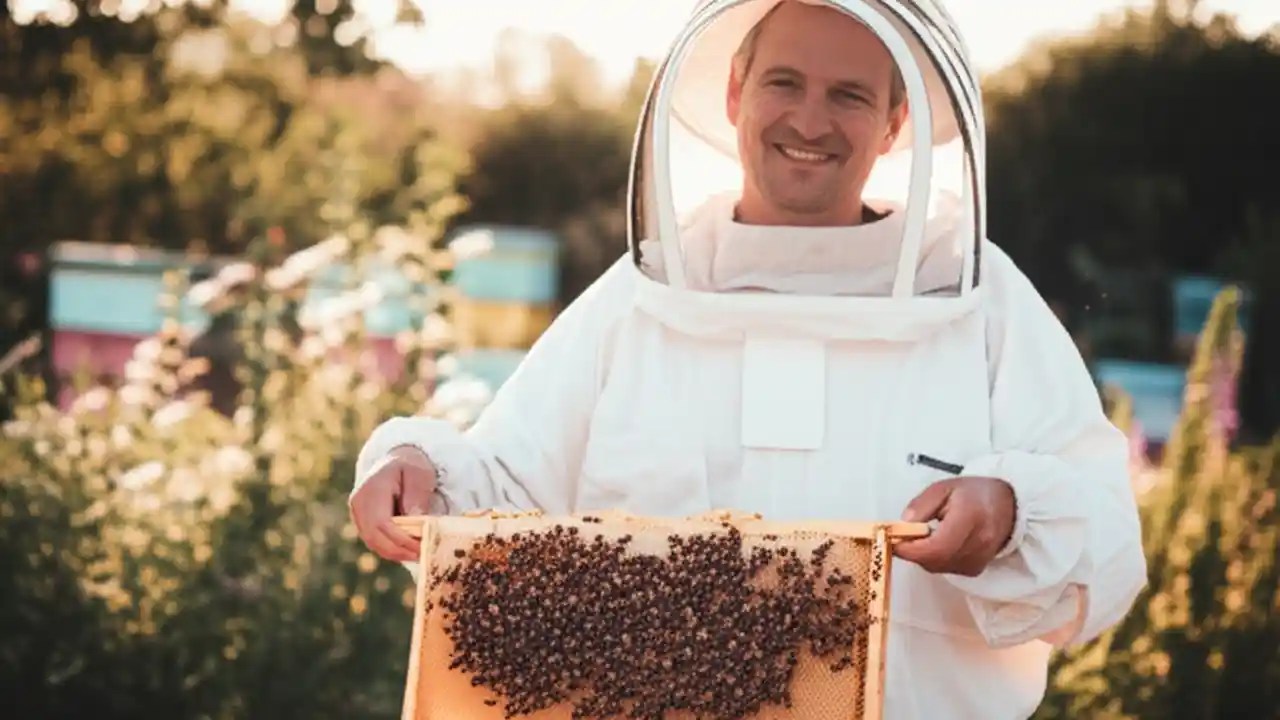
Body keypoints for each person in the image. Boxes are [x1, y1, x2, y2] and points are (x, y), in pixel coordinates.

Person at [349, 1, 1147, 717]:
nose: (810, 120)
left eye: (850, 95)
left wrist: (1009, 514)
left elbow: (1106, 550)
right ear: (736, 93)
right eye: (784, 82)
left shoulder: (978, 301)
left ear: (894, 123)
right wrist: (416, 469)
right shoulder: (645, 296)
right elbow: (501, 497)